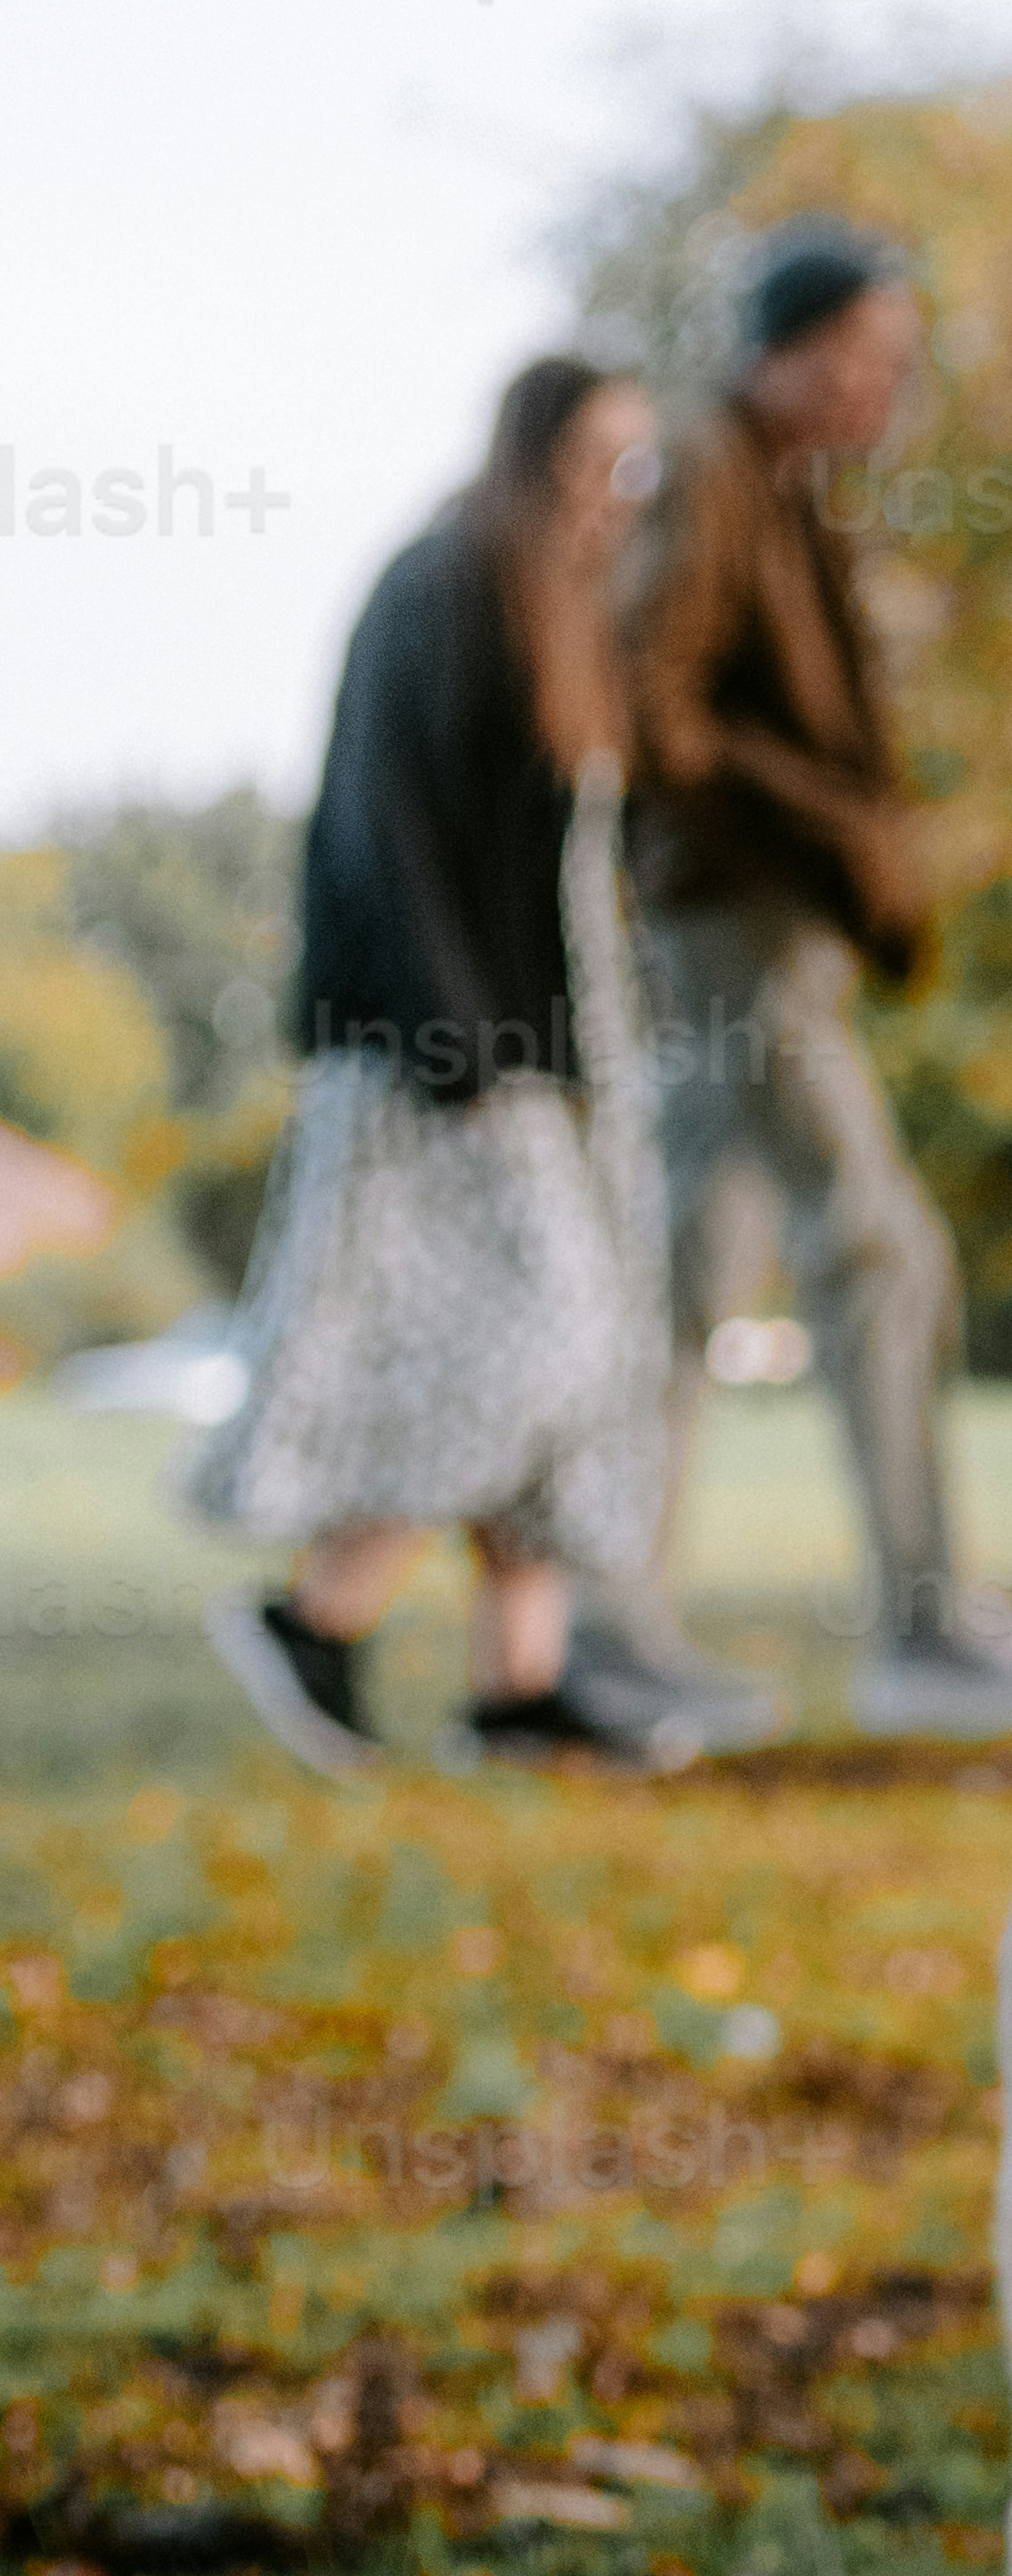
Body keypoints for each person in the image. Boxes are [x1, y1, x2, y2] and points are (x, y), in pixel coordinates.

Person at [196, 357, 742, 1778]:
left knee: (584, 1348)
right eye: (601, 462)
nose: (619, 495)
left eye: (638, 468)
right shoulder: (439, 589)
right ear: (537, 452)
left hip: (551, 1068)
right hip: (441, 1069)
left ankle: (520, 1683)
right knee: (544, 1341)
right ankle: (318, 1613)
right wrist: (472, 1055)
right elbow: (387, 838)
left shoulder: (572, 613)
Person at [628, 216, 1012, 1735]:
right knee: (875, 1247)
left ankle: (610, 1618)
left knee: (689, 1272)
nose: (890, 387)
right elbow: (652, 706)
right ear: (787, 350)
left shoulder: (790, 491)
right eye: (872, 357)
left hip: (770, 930)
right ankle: (921, 1628)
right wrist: (834, 833)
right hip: (732, 927)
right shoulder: (704, 467)